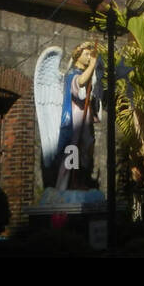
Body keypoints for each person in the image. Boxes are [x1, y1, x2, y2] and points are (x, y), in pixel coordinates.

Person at [55, 40, 100, 191]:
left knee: (85, 150)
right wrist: (93, 65)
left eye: (90, 55)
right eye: (86, 54)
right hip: (75, 118)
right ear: (77, 56)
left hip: (85, 118)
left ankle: (80, 180)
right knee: (72, 150)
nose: (89, 57)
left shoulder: (86, 75)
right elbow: (79, 83)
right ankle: (65, 184)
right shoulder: (72, 75)